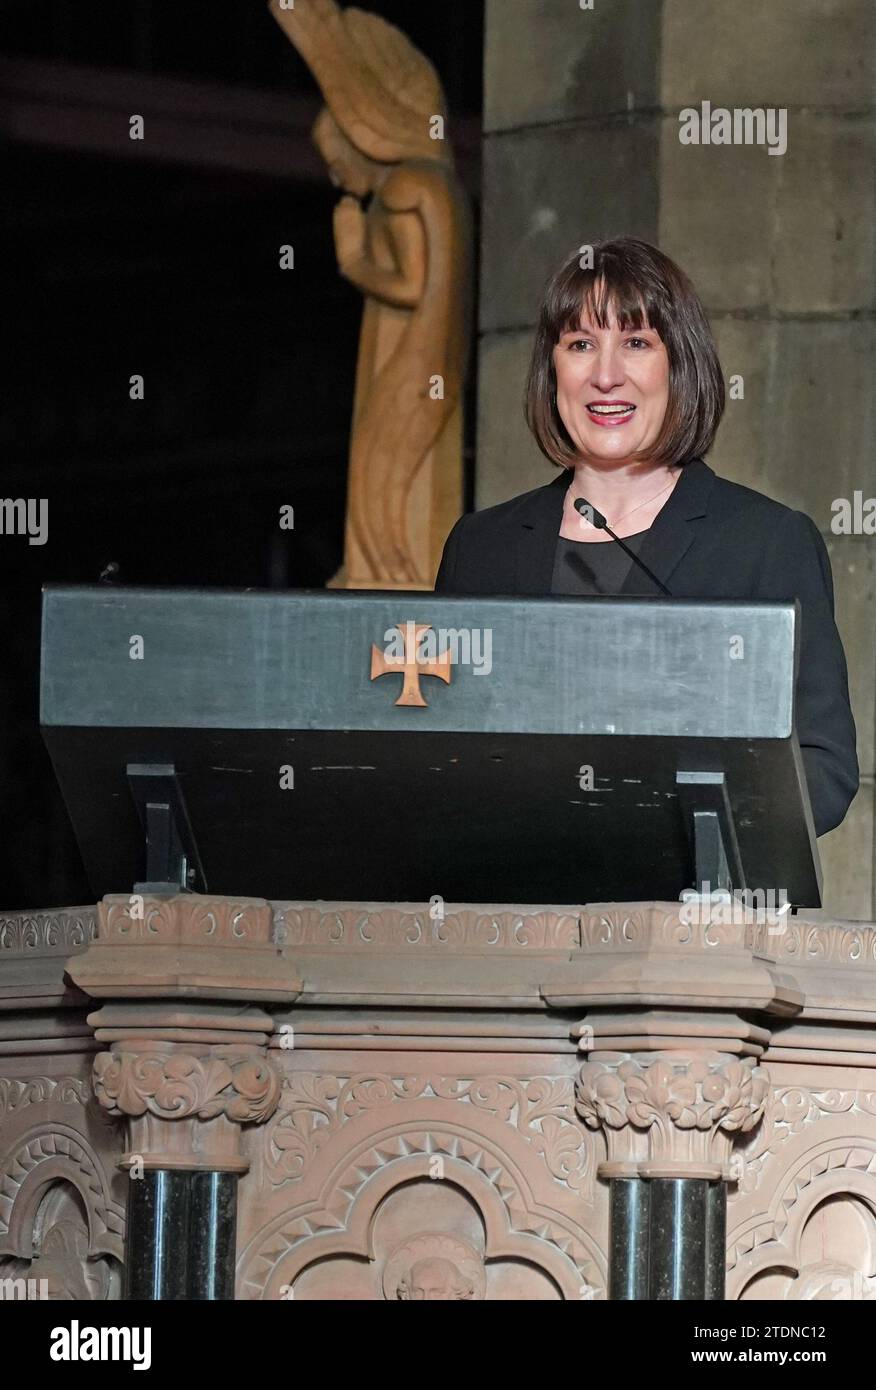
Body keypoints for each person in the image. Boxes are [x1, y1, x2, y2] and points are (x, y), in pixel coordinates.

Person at [435, 237, 857, 837]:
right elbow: (435, 751)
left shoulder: (766, 543)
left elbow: (824, 769)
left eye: (636, 343)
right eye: (581, 344)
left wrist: (670, 825)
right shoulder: (480, 548)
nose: (606, 376)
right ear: (552, 368)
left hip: (691, 916)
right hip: (511, 912)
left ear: (678, 365)